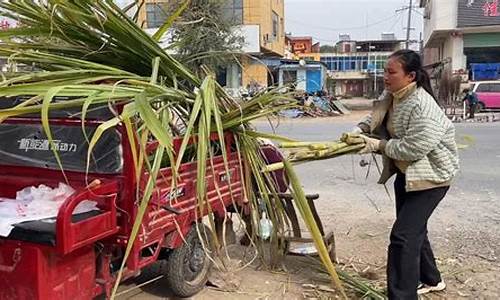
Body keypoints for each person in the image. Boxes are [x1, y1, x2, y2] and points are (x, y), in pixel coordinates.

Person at [350, 49, 459, 299]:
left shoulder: (422, 105)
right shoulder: (394, 94)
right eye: (385, 71)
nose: (385, 76)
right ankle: (432, 279)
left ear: (410, 76)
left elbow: (414, 147)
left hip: (431, 178)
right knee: (414, 230)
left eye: (391, 72)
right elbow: (377, 115)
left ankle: (401, 296)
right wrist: (360, 129)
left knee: (403, 237)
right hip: (407, 174)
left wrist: (377, 145)